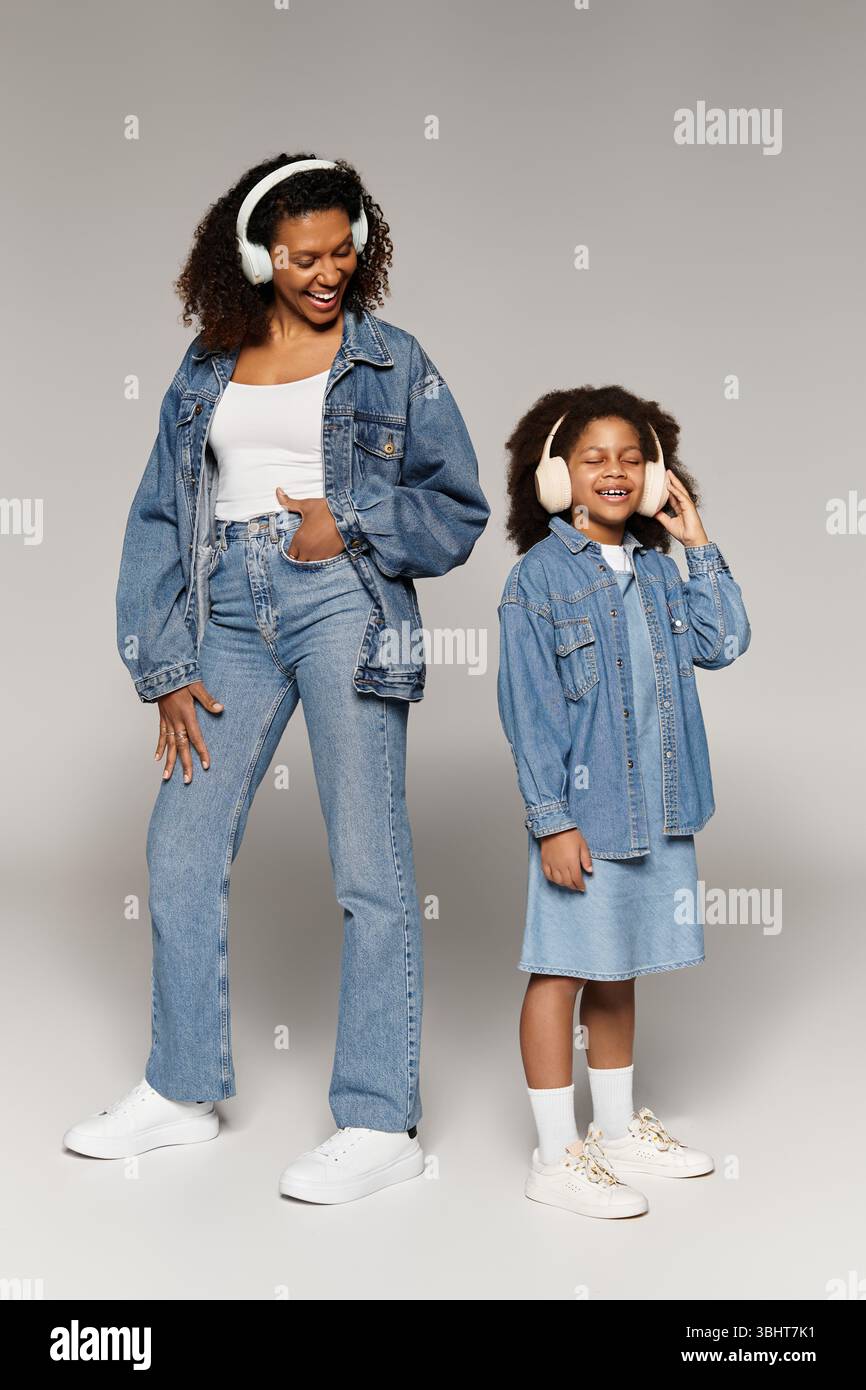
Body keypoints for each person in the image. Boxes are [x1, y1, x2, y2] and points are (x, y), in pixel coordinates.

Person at [63, 154, 489, 1204]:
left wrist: (351, 520)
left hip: (343, 597)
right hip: (230, 611)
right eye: (304, 254)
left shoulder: (391, 359)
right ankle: (181, 1088)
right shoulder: (209, 360)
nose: (328, 270)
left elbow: (458, 507)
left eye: (345, 247)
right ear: (257, 255)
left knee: (368, 862)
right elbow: (159, 514)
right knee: (180, 843)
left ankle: (379, 1117)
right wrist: (162, 662)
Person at [496, 385, 750, 1219]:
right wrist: (552, 822)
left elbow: (725, 643)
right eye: (595, 457)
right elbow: (527, 711)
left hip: (661, 804)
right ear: (557, 475)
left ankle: (612, 1132)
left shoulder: (658, 570)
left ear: (654, 476)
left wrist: (696, 542)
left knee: (618, 968)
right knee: (563, 969)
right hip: (586, 813)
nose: (615, 470)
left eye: (632, 459)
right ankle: (555, 1154)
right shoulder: (538, 580)